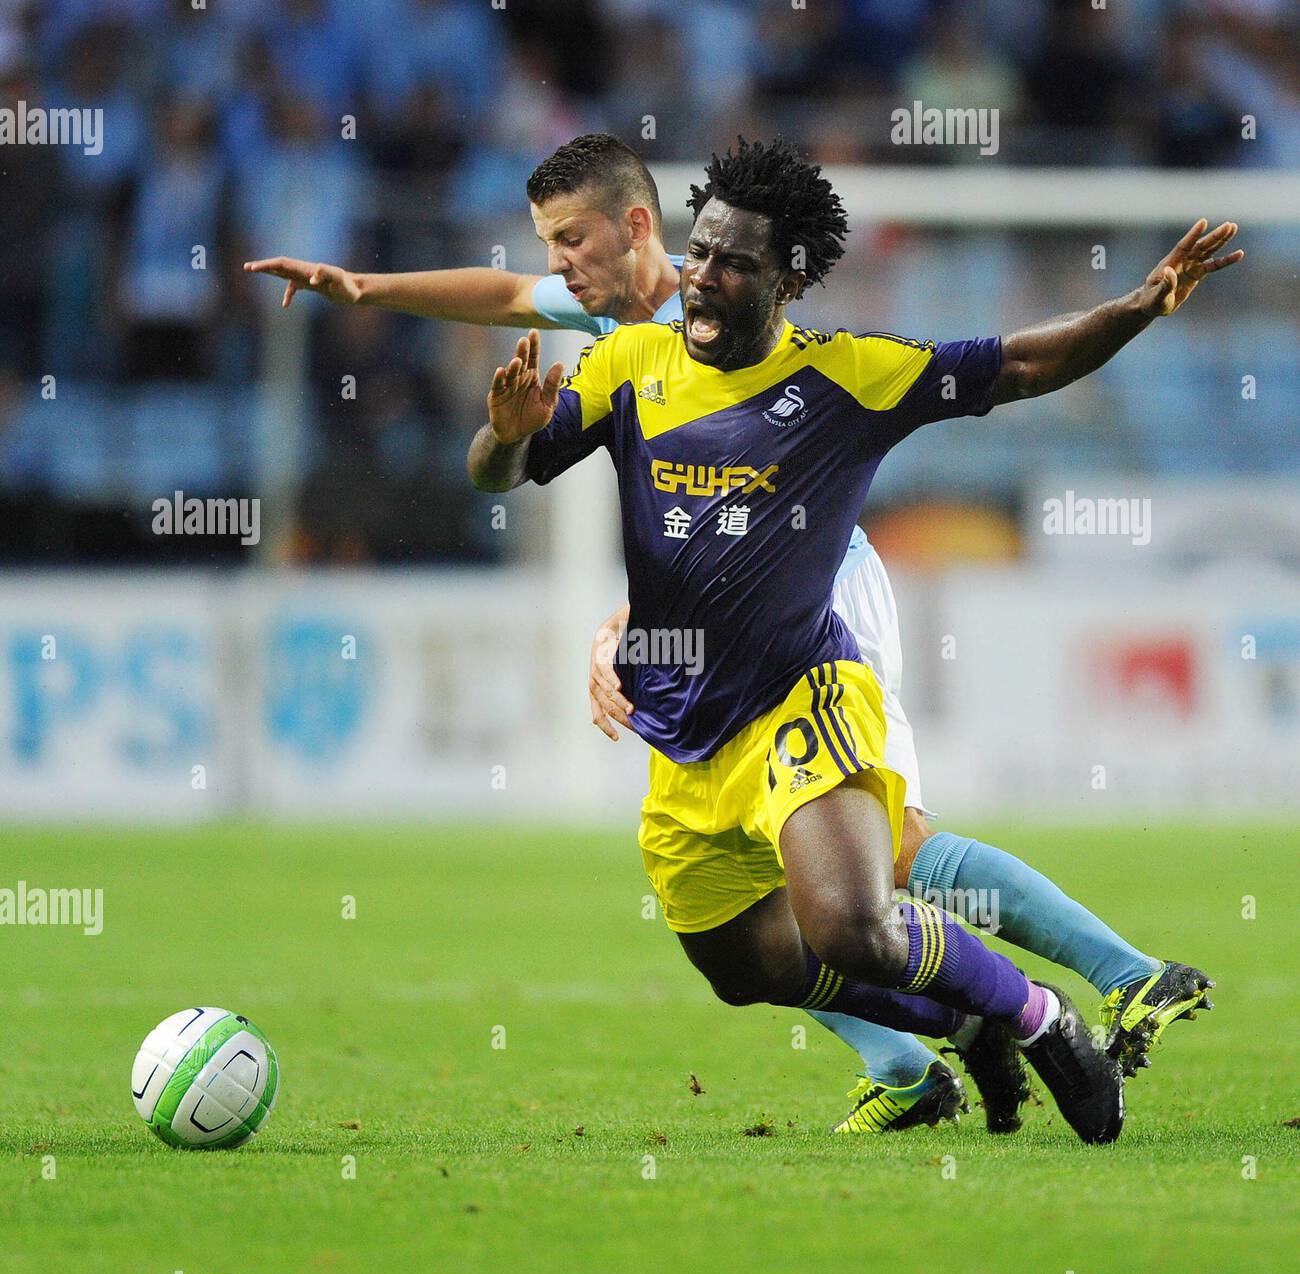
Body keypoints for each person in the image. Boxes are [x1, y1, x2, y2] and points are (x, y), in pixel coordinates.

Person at [249, 133, 1227, 1135]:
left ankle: (1066, 1001)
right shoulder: (622, 346)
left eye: (729, 263)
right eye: (699, 253)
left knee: (866, 892)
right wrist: (452, 378)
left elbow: (1020, 362)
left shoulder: (835, 370)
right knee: (749, 952)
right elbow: (497, 381)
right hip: (691, 698)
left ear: (775, 273)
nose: (698, 279)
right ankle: (926, 1046)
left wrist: (1135, 309)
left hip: (814, 645)